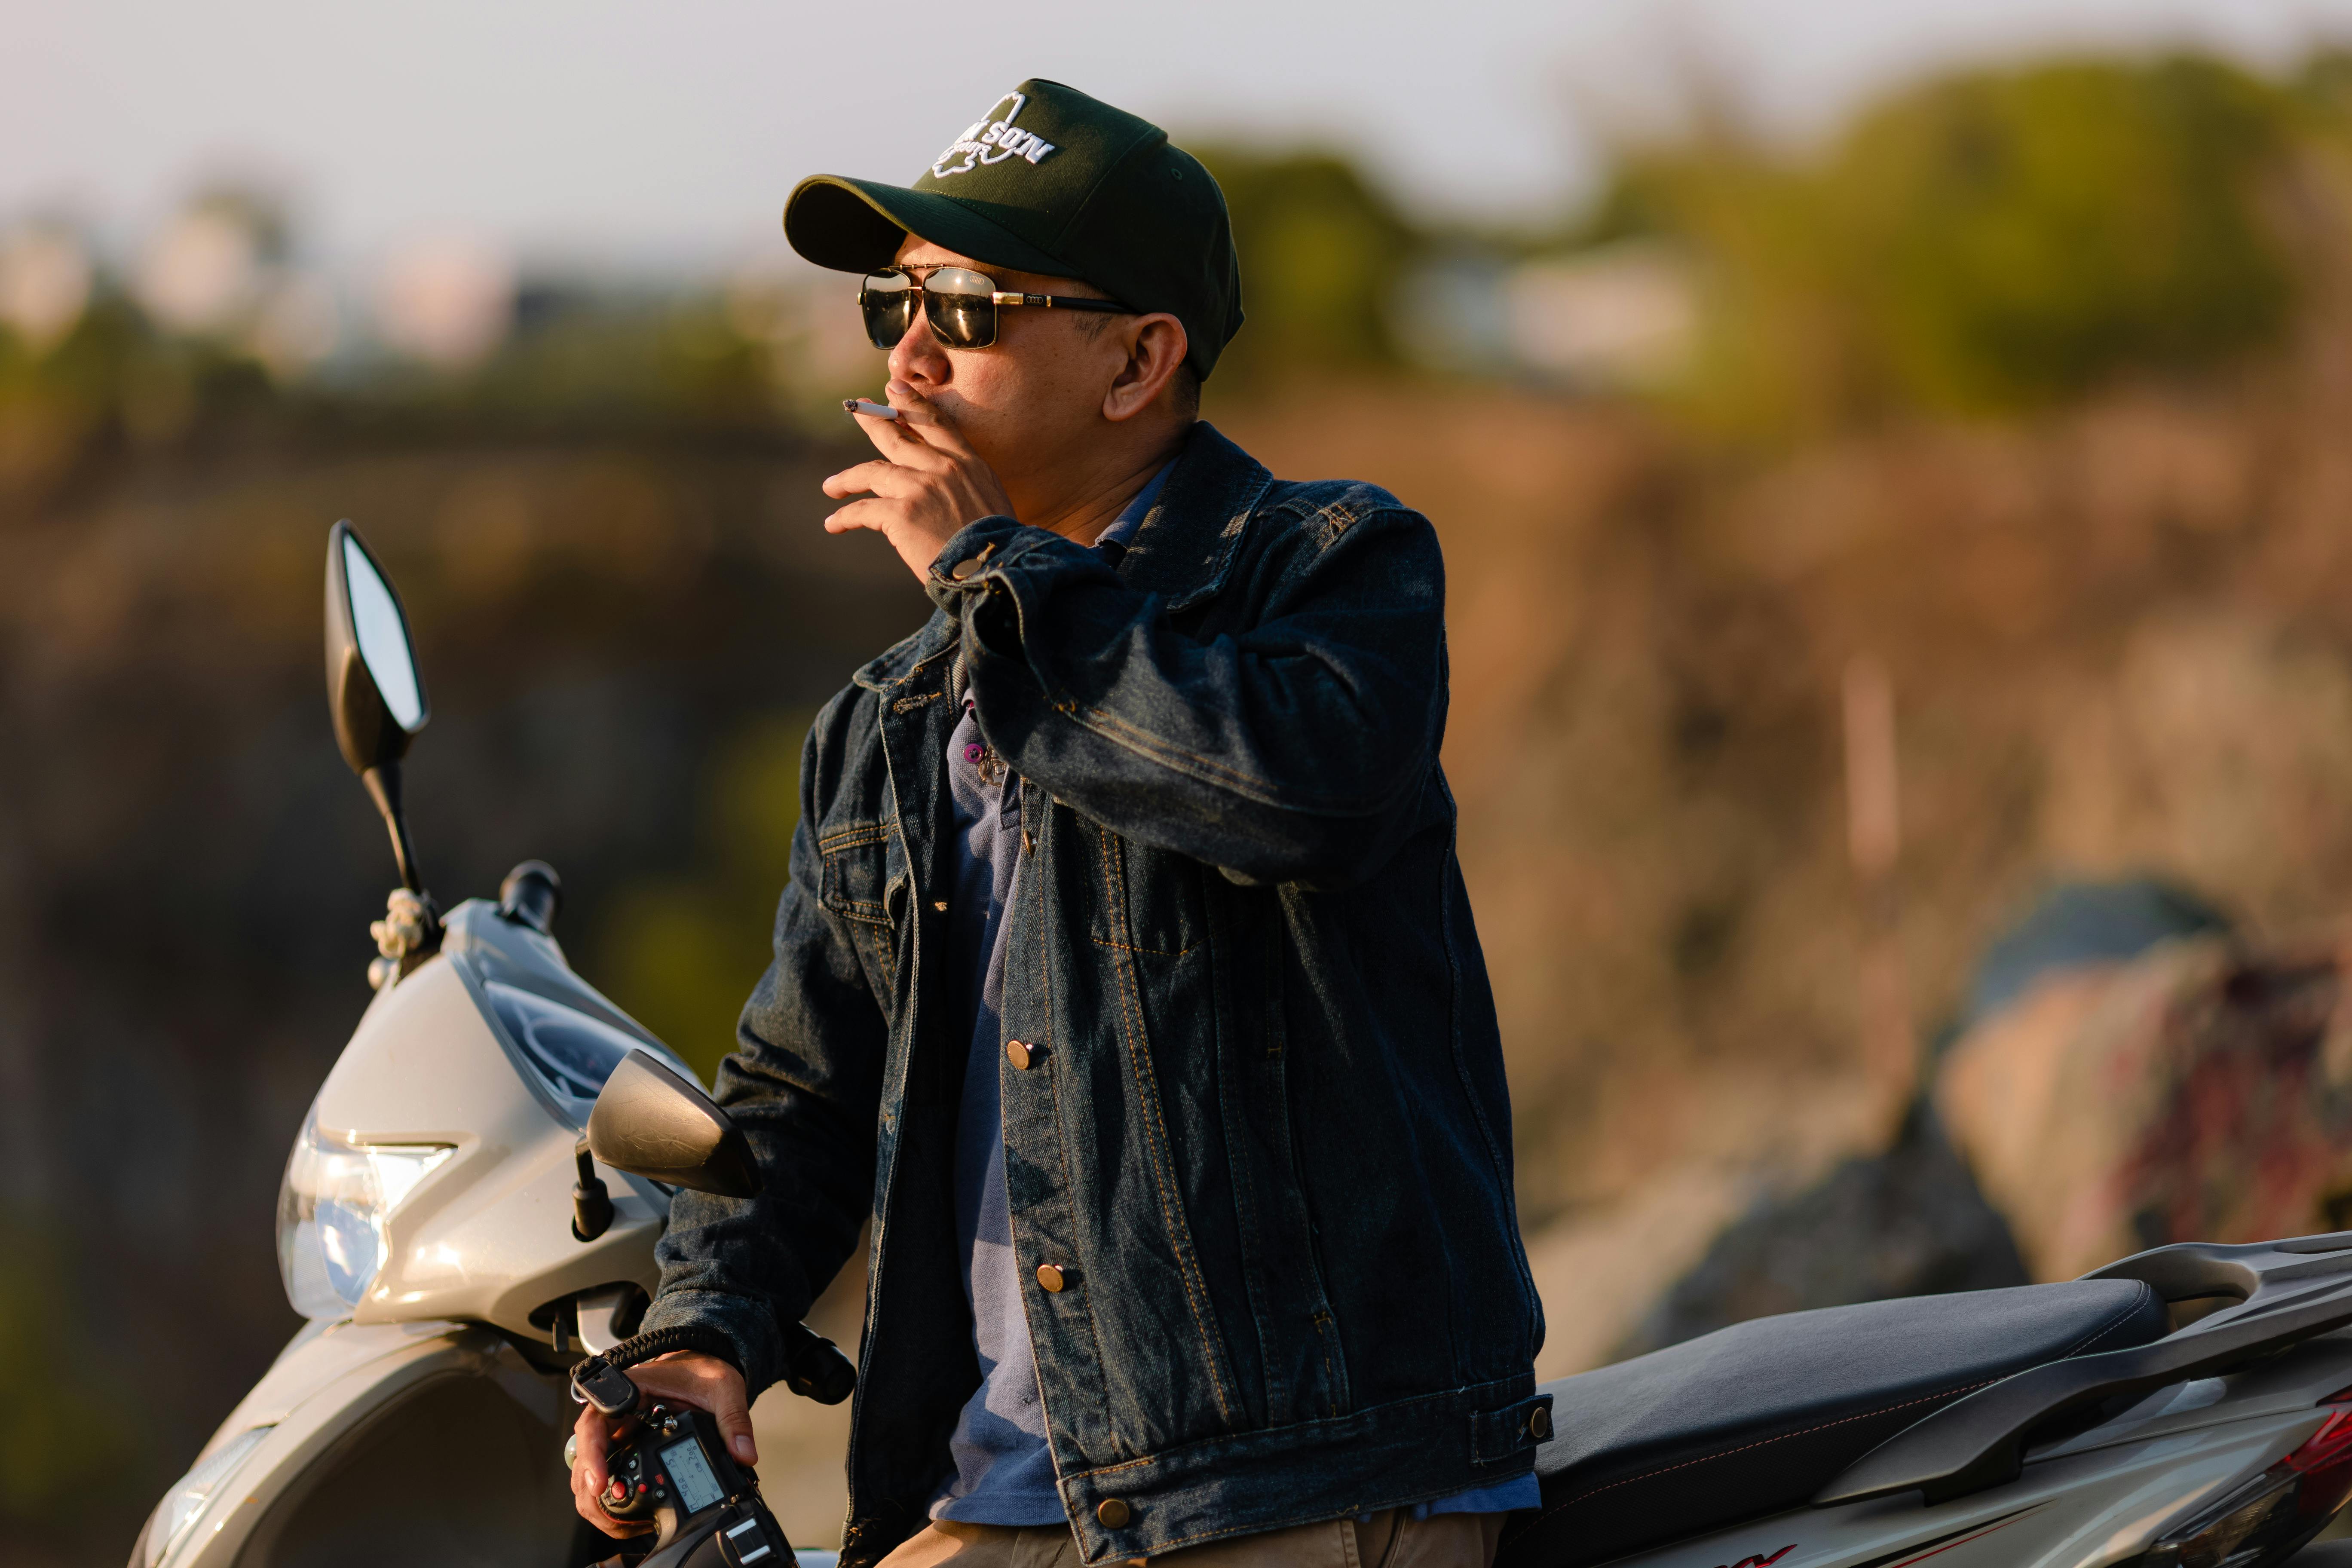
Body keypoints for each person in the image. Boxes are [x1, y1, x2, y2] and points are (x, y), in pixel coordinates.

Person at [570, 79, 1547, 1568]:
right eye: (893, 300)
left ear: (1139, 359)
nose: (907, 347)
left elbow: (1286, 792)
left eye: (965, 304)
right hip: (990, 1490)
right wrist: (707, 1332)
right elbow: (800, 1090)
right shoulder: (891, 713)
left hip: (1293, 1480)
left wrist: (989, 570)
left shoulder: (1329, 568)